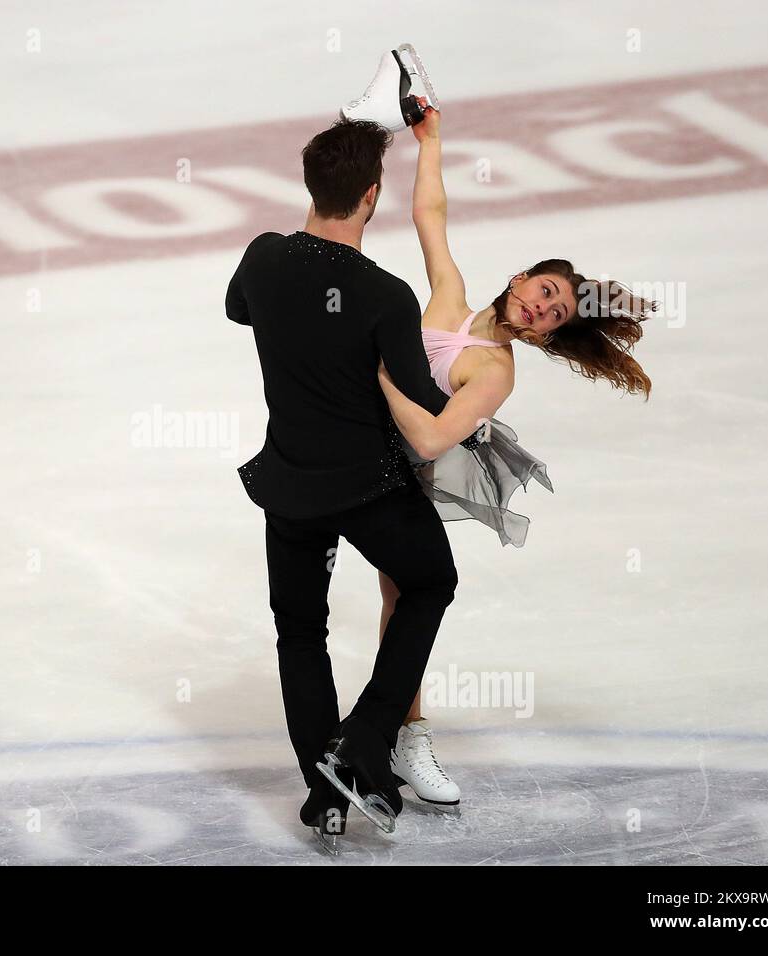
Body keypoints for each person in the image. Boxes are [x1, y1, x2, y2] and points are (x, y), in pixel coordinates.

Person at [374, 94, 656, 811]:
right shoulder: (449, 297)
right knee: (393, 596)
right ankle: (384, 731)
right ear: (522, 278)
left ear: (543, 337)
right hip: (359, 449)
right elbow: (429, 217)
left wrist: (373, 371)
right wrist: (430, 139)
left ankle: (405, 736)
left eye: (555, 316)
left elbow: (434, 437)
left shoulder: (495, 372)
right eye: (546, 292)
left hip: (410, 470)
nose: (543, 309)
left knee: (404, 596)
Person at [226, 117, 479, 851]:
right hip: (369, 486)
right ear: (372, 197)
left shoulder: (263, 259)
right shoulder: (384, 294)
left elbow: (241, 308)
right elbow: (417, 408)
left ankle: (324, 791)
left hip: (290, 485)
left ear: (313, 185)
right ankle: (364, 741)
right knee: (430, 581)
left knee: (300, 632)